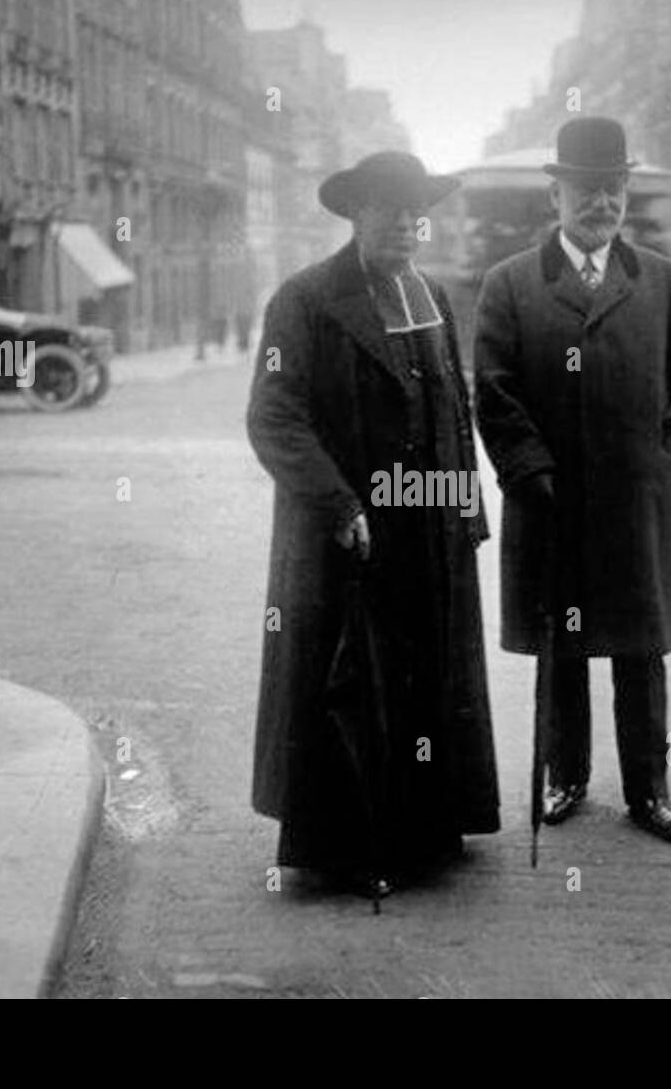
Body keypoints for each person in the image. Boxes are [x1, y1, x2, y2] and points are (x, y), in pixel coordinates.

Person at [246, 151, 500, 898]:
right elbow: (274, 417)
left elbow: (455, 410)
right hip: (347, 540)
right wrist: (341, 504)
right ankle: (351, 850)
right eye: (387, 208)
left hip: (428, 535)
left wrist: (467, 511)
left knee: (425, 684)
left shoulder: (432, 295)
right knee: (354, 688)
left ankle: (427, 832)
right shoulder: (305, 301)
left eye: (414, 209)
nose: (404, 222)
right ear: (357, 215)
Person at [474, 117, 671, 844]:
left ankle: (650, 790)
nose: (602, 202)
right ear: (555, 194)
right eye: (586, 189)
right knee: (563, 646)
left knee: (641, 648)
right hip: (552, 500)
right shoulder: (511, 283)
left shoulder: (661, 280)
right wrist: (529, 470)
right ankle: (565, 776)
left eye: (614, 188)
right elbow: (493, 389)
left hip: (639, 498)